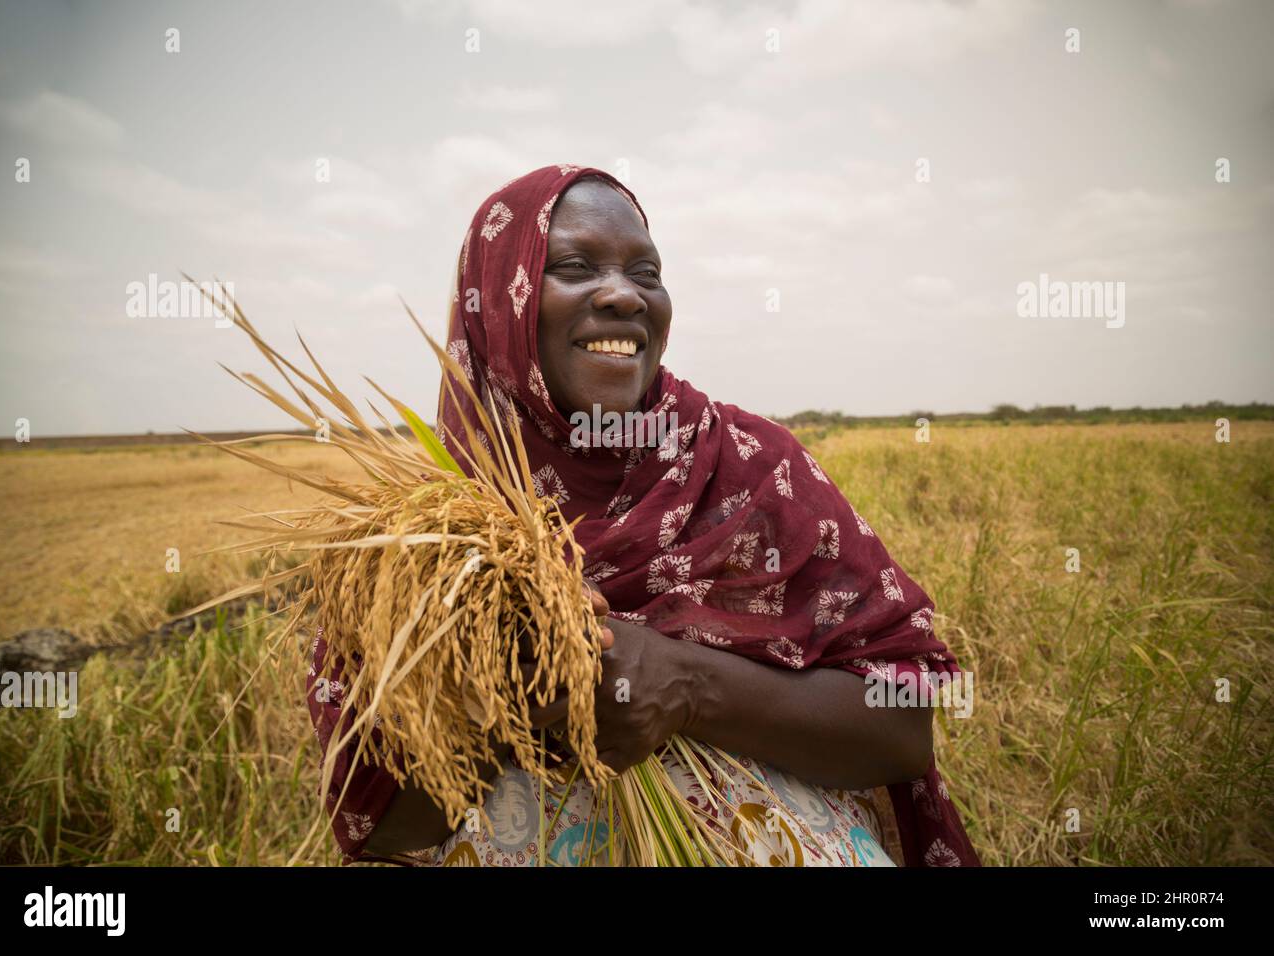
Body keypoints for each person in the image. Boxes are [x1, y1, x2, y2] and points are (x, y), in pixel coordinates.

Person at [306, 164, 980, 867]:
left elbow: (903, 730)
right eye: (572, 265)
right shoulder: (432, 538)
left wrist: (688, 685)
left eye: (647, 273)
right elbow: (379, 825)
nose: (624, 295)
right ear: (496, 304)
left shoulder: (749, 466)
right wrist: (503, 702)